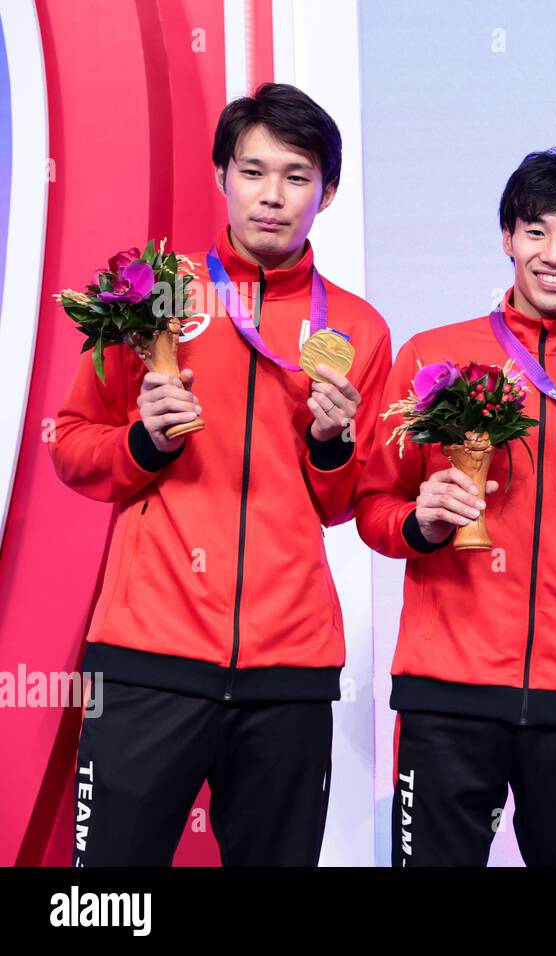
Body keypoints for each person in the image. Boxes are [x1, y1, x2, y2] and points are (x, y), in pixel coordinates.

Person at [50, 83, 393, 866]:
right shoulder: (154, 293)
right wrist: (144, 442)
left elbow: (342, 505)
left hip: (290, 667)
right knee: (105, 902)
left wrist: (333, 443)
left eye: (297, 176)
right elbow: (72, 444)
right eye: (254, 171)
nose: (272, 196)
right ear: (221, 176)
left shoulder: (360, 329)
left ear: (328, 192)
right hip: (149, 654)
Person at [356, 149, 556, 866]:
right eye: (536, 232)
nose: (554, 255)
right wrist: (417, 522)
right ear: (506, 239)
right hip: (447, 692)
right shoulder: (434, 356)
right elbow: (371, 503)